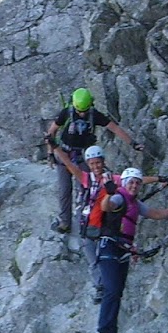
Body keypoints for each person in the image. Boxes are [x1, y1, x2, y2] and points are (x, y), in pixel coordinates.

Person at [53, 146, 168, 302]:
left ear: (103, 161)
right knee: (93, 259)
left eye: (98, 162)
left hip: (104, 225)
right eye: (92, 163)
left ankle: (106, 287)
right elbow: (69, 165)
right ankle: (100, 287)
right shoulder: (87, 178)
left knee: (102, 257)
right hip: (88, 224)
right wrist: (55, 148)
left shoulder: (112, 179)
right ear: (88, 164)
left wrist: (158, 179)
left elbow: (136, 179)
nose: (96, 166)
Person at [91, 168, 168, 333]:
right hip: (110, 247)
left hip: (123, 248)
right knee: (112, 289)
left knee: (117, 289)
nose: (134, 185)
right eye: (131, 182)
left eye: (137, 183)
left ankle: (110, 330)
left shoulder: (134, 203)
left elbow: (156, 214)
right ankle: (105, 331)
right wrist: (109, 194)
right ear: (124, 183)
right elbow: (106, 207)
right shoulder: (119, 197)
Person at [45, 88, 141, 233]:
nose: (82, 114)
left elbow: (115, 128)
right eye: (80, 111)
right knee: (65, 190)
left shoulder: (93, 114)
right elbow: (51, 132)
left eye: (84, 110)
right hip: (65, 154)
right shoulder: (67, 113)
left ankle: (86, 221)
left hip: (84, 157)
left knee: (86, 190)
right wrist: (51, 153)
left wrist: (132, 143)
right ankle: (65, 223)